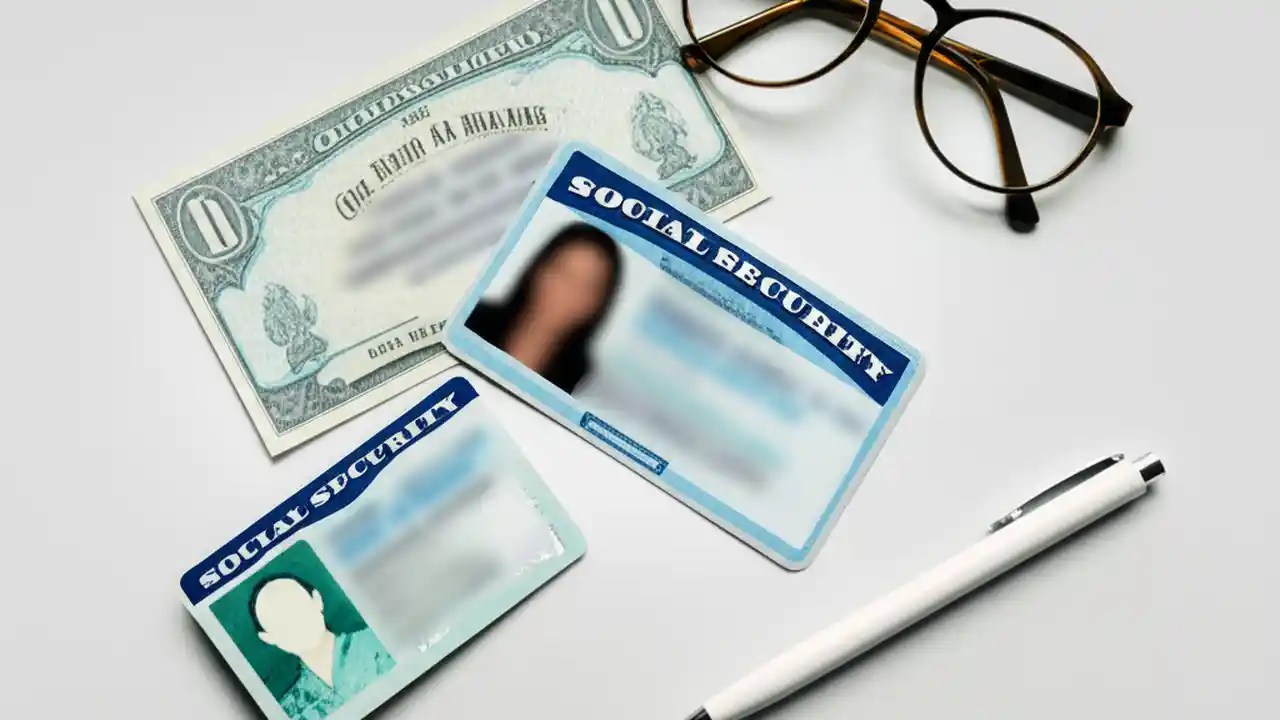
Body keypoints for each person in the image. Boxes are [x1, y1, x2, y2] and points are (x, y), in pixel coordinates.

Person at [466, 222, 622, 394]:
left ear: (599, 304)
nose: (568, 293)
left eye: (586, 286)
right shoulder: (472, 318)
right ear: (538, 269)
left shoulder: (583, 383)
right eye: (563, 273)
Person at [250, 575, 395, 720]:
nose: (295, 623)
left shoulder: (381, 640)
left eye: (297, 607)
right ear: (268, 638)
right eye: (280, 622)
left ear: (317, 600)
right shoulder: (288, 713)